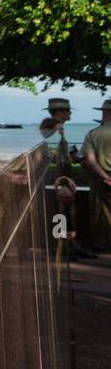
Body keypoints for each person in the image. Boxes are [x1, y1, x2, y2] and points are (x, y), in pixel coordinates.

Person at [80, 98, 111, 253]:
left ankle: (101, 245)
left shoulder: (93, 134)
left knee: (98, 212)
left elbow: (90, 161)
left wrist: (106, 177)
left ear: (104, 113)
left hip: (100, 179)